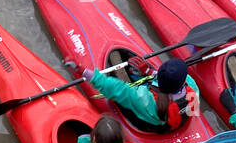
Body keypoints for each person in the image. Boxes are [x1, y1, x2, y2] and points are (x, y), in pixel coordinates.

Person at [68, 57, 199, 134]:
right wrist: (150, 72)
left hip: (149, 123)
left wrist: (85, 72)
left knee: (123, 98)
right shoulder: (192, 86)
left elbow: (117, 89)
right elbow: (192, 108)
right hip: (173, 123)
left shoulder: (144, 99)